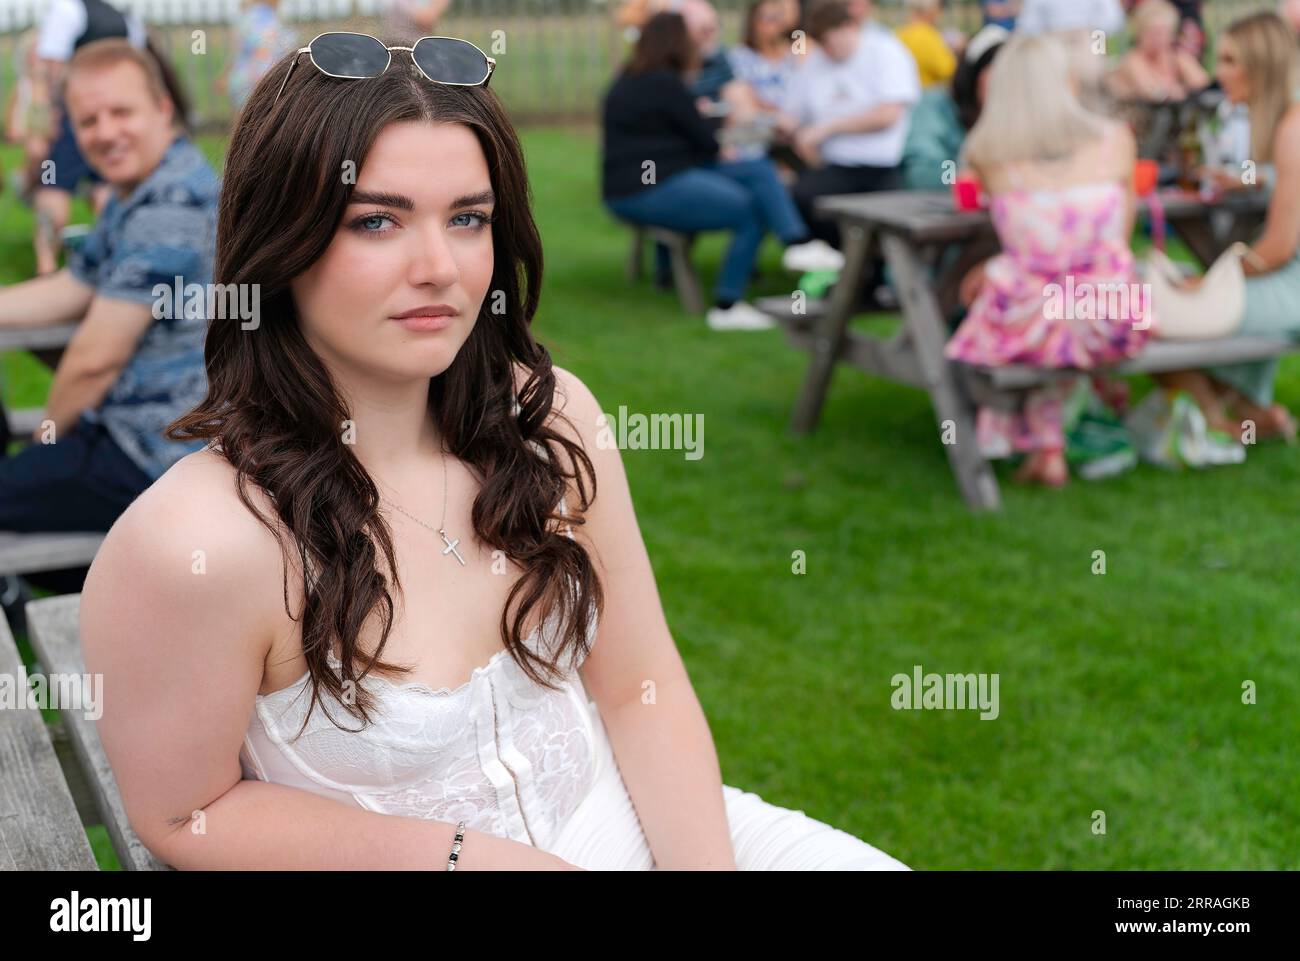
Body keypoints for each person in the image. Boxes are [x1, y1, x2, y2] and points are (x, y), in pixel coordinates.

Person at [78, 31, 911, 872]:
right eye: (376, 220)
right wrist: (461, 856)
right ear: (279, 239)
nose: (440, 266)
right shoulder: (203, 540)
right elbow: (186, 814)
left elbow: (638, 688)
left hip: (646, 820)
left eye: (468, 218)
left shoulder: (550, 422)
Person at [0, 38, 217, 596]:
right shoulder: (139, 190)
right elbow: (77, 284)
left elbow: (95, 362)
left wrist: (48, 444)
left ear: (162, 109)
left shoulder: (171, 206)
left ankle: (33, 589)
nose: (105, 132)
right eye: (88, 120)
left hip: (161, 452)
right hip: (129, 430)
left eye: (121, 112)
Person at [943, 33, 1150, 487]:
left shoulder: (989, 154)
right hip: (1111, 313)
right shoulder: (1116, 140)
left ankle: (1047, 448)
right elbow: (1119, 237)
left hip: (1031, 318)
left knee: (1005, 298)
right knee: (1065, 310)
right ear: (1068, 82)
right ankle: (1057, 445)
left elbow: (1009, 230)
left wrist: (997, 266)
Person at [602, 12, 839, 330]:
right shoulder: (664, 83)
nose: (698, 46)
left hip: (658, 175)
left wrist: (704, 123)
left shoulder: (632, 78)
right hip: (643, 189)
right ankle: (728, 305)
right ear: (676, 43)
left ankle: (796, 244)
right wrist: (711, 121)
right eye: (692, 39)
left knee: (758, 169)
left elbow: (683, 135)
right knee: (749, 207)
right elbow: (705, 141)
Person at [1155, 12, 1300, 441]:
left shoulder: (1292, 128)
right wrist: (1248, 178)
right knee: (1170, 287)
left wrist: (1210, 283)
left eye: (1231, 61)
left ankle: (1223, 424)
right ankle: (1256, 414)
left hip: (1292, 290)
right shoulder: (1285, 124)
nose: (1219, 73)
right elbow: (1286, 176)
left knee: (1154, 311)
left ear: (1261, 67)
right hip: (1287, 283)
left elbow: (1276, 249)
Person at [777, 0, 921, 251]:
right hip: (834, 165)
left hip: (884, 168)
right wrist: (787, 127)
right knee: (796, 196)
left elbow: (887, 115)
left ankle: (867, 270)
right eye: (820, 42)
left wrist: (828, 128)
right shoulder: (816, 61)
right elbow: (793, 111)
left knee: (882, 227)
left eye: (829, 40)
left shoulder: (885, 50)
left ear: (848, 27)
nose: (827, 49)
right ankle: (844, 262)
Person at [29, 0, 147, 275]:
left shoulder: (72, 10)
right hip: (81, 121)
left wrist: (39, 126)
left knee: (99, 193)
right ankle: (49, 270)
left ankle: (100, 268)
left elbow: (45, 72)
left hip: (86, 121)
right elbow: (45, 73)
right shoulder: (117, 17)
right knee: (68, 193)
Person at [901, 24, 1008, 190]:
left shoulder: (1014, 114)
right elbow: (925, 172)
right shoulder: (936, 106)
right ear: (973, 75)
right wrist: (970, 177)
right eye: (995, 72)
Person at [1106, 0, 1209, 103]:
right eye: (1152, 32)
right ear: (1140, 33)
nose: (1157, 38)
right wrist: (1176, 90)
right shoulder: (1133, 59)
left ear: (1172, 34)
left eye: (1162, 32)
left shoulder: (1177, 56)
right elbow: (1152, 91)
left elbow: (1203, 84)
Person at [222, 0, 298, 111]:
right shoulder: (273, 21)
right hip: (268, 78)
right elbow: (285, 50)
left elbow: (237, 52)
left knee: (241, 120)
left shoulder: (244, 19)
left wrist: (225, 75)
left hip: (242, 80)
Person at [896, 0, 958, 89]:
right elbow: (948, 70)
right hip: (925, 93)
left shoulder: (899, 34)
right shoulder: (929, 36)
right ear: (931, 12)